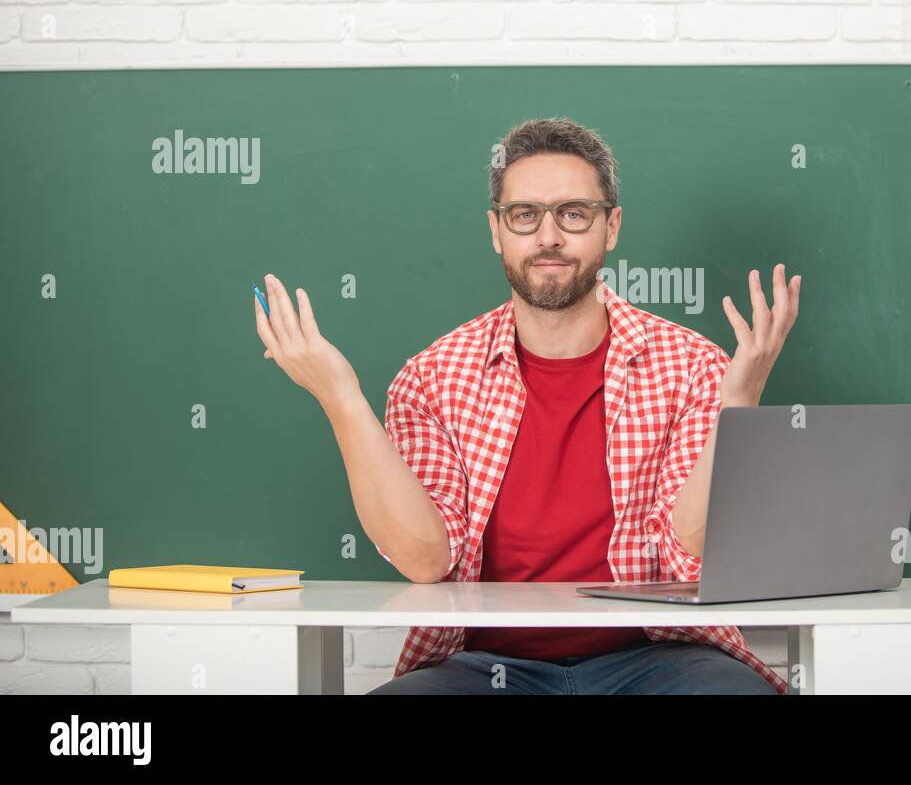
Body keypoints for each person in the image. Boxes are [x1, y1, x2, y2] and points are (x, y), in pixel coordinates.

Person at [253, 117, 800, 694]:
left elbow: (690, 557)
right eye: (524, 215)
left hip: (659, 658)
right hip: (484, 666)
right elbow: (426, 560)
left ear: (610, 227)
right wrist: (341, 398)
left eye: (573, 213)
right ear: (497, 230)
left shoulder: (693, 367)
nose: (548, 237)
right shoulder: (431, 378)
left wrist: (738, 404)